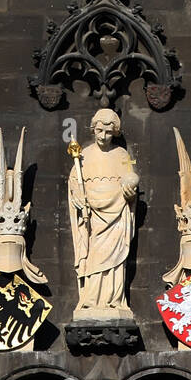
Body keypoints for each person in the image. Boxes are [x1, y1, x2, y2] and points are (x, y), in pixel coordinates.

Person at [68, 108, 138, 318]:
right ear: (93, 129)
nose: (103, 136)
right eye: (99, 131)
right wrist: (78, 198)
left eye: (108, 133)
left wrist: (130, 185)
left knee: (115, 260)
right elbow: (75, 182)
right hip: (93, 216)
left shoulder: (122, 155)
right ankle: (91, 300)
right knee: (94, 256)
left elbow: (131, 174)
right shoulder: (83, 155)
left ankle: (113, 300)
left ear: (114, 132)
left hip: (116, 212)